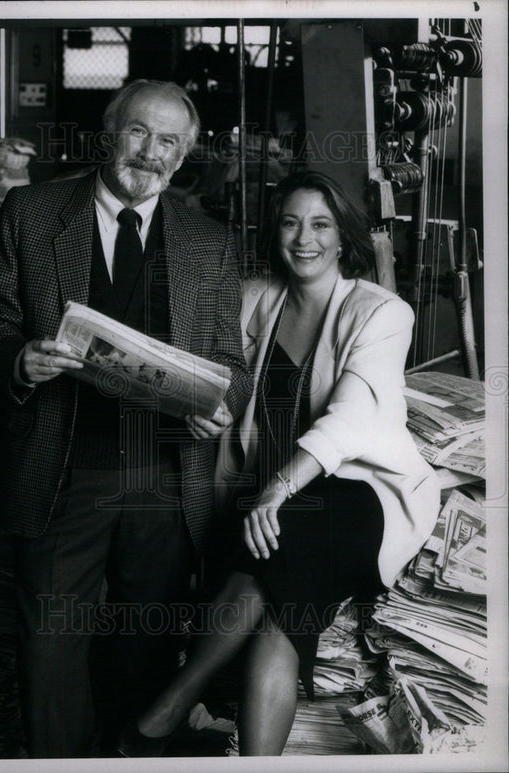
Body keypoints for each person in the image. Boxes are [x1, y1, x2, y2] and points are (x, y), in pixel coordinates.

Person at [0, 79, 251, 758]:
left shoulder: (208, 243)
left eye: (169, 142)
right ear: (109, 132)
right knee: (50, 647)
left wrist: (221, 404)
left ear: (183, 157)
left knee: (143, 647)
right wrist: (18, 357)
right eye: (139, 132)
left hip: (165, 474)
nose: (150, 153)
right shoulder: (33, 214)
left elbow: (233, 366)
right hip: (63, 467)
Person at [119, 170, 440, 757]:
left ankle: (169, 705)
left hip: (362, 490)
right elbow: (216, 379)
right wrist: (206, 409)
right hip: (271, 493)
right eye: (290, 223)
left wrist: (276, 491)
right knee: (280, 609)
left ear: (344, 237)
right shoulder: (254, 298)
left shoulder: (382, 312)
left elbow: (349, 419)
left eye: (320, 224)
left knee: (277, 536)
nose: (304, 239)